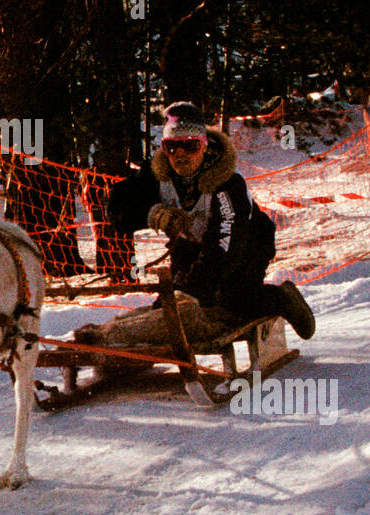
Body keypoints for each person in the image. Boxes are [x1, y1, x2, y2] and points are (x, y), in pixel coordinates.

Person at [104, 101, 315, 343]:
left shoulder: (226, 184)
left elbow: (223, 247)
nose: (180, 155)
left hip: (246, 245)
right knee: (177, 303)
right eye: (171, 147)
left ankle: (279, 298)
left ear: (204, 147)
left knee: (228, 303)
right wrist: (152, 214)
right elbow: (116, 207)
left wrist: (191, 295)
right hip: (191, 245)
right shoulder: (156, 175)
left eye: (190, 146)